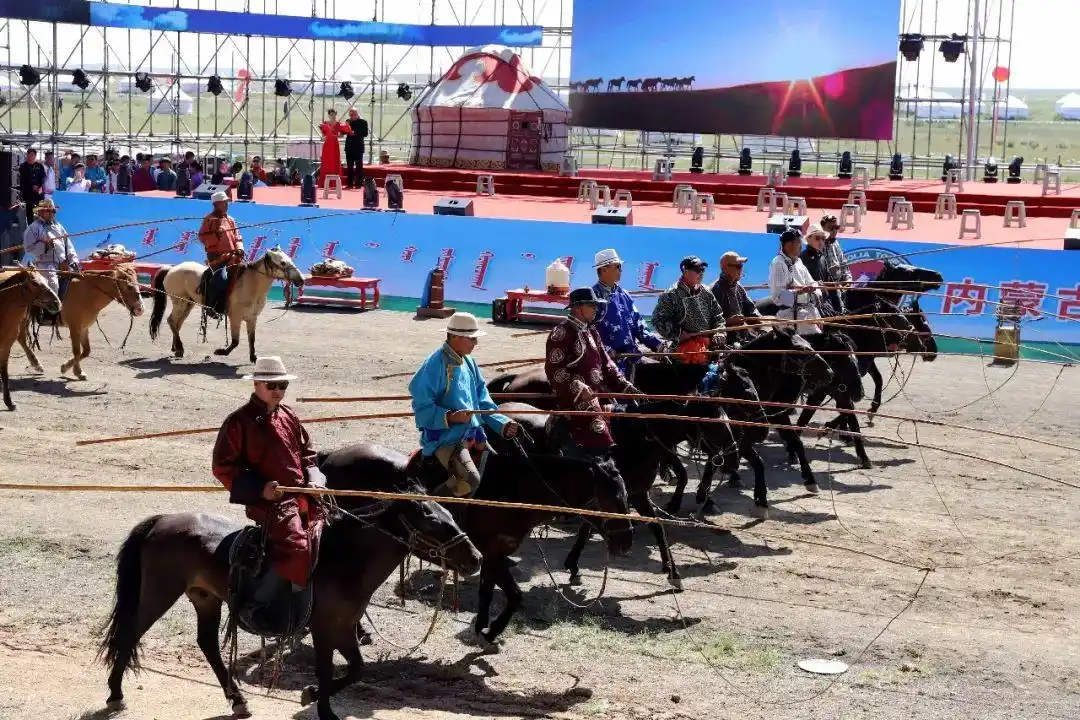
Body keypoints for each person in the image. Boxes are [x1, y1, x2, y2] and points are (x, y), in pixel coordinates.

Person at [212, 356, 327, 625]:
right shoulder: (238, 422)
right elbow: (222, 467)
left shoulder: (289, 415)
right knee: (299, 547)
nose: (277, 391)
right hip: (270, 504)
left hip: (304, 496)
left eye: (282, 385)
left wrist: (315, 480)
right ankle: (272, 606)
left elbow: (308, 455)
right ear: (256, 384)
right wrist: (260, 489)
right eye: (271, 385)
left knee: (334, 537)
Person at [409, 313, 520, 497]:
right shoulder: (435, 364)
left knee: (499, 469)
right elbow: (421, 406)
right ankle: (432, 504)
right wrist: (451, 417)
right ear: (454, 336)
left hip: (474, 434)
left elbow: (482, 398)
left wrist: (502, 423)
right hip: (446, 438)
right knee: (471, 479)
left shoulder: (469, 362)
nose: (475, 343)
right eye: (472, 338)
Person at [545, 287, 642, 459]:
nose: (596, 309)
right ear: (578, 308)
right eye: (592, 305)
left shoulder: (592, 331)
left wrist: (625, 385)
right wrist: (578, 386)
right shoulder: (561, 332)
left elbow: (607, 363)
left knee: (628, 419)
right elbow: (554, 370)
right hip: (575, 399)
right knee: (599, 435)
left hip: (598, 394)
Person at [591, 248, 664, 378]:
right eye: (617, 266)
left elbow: (638, 323)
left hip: (632, 357)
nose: (621, 270)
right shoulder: (593, 298)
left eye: (620, 266)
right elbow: (588, 331)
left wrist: (657, 345)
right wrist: (606, 350)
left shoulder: (624, 294)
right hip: (608, 362)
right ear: (604, 269)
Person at [651, 255, 726, 364]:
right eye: (697, 270)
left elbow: (718, 316)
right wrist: (678, 333)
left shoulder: (706, 292)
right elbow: (657, 320)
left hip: (709, 347)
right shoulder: (671, 294)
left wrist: (719, 332)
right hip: (684, 350)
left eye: (703, 270)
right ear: (685, 271)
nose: (701, 273)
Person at [197, 190, 244, 318]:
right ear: (216, 204)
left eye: (227, 202)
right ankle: (210, 306)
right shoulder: (209, 219)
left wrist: (240, 248)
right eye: (224, 202)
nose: (227, 205)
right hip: (217, 257)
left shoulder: (230, 219)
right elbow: (202, 237)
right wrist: (216, 236)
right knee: (222, 278)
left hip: (233, 256)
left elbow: (238, 236)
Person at [22, 198, 78, 302]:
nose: (52, 213)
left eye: (53, 211)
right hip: (45, 264)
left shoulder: (59, 226)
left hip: (63, 263)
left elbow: (68, 245)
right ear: (40, 212)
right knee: (53, 284)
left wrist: (73, 261)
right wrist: (44, 246)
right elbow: (28, 249)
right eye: (48, 211)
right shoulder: (33, 228)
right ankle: (51, 310)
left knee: (77, 281)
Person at [768, 228, 822, 335]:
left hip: (808, 310)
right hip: (791, 314)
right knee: (818, 337)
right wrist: (800, 291)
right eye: (798, 242)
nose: (801, 246)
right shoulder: (778, 263)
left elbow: (812, 282)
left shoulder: (798, 261)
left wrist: (814, 289)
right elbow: (780, 296)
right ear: (788, 245)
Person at [710, 251, 763, 344]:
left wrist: (761, 323)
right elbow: (709, 321)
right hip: (726, 341)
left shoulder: (739, 287)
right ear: (725, 268)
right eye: (738, 266)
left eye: (742, 266)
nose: (741, 270)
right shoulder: (714, 290)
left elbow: (751, 310)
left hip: (744, 337)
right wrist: (729, 321)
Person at [819, 214, 852, 314]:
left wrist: (848, 281)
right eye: (831, 228)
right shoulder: (818, 246)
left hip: (840, 288)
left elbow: (843, 264)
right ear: (822, 229)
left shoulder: (835, 244)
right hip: (826, 292)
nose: (834, 231)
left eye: (836, 227)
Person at [318, 108, 352, 182]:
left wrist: (335, 136)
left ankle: (334, 182)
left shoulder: (338, 124)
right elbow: (323, 136)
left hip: (334, 144)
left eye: (334, 114)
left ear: (336, 115)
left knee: (335, 162)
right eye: (331, 115)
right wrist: (325, 135)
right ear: (328, 115)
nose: (333, 116)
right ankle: (325, 181)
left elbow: (342, 135)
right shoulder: (325, 124)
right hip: (327, 144)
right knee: (326, 162)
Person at [18, 148, 46, 220]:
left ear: (35, 156)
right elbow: (22, 180)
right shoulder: (23, 166)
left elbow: (43, 178)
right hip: (28, 194)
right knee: (29, 213)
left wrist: (38, 186)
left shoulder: (39, 166)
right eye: (28, 154)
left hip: (38, 194)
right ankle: (30, 224)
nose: (30, 156)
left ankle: (39, 223)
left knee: (39, 212)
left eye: (32, 155)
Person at [344, 108, 369, 189]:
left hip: (358, 147)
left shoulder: (363, 122)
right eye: (350, 115)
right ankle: (349, 183)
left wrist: (355, 132)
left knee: (359, 166)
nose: (351, 116)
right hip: (349, 146)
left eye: (352, 115)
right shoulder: (348, 121)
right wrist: (344, 129)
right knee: (349, 166)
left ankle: (359, 183)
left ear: (356, 114)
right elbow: (344, 131)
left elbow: (365, 133)